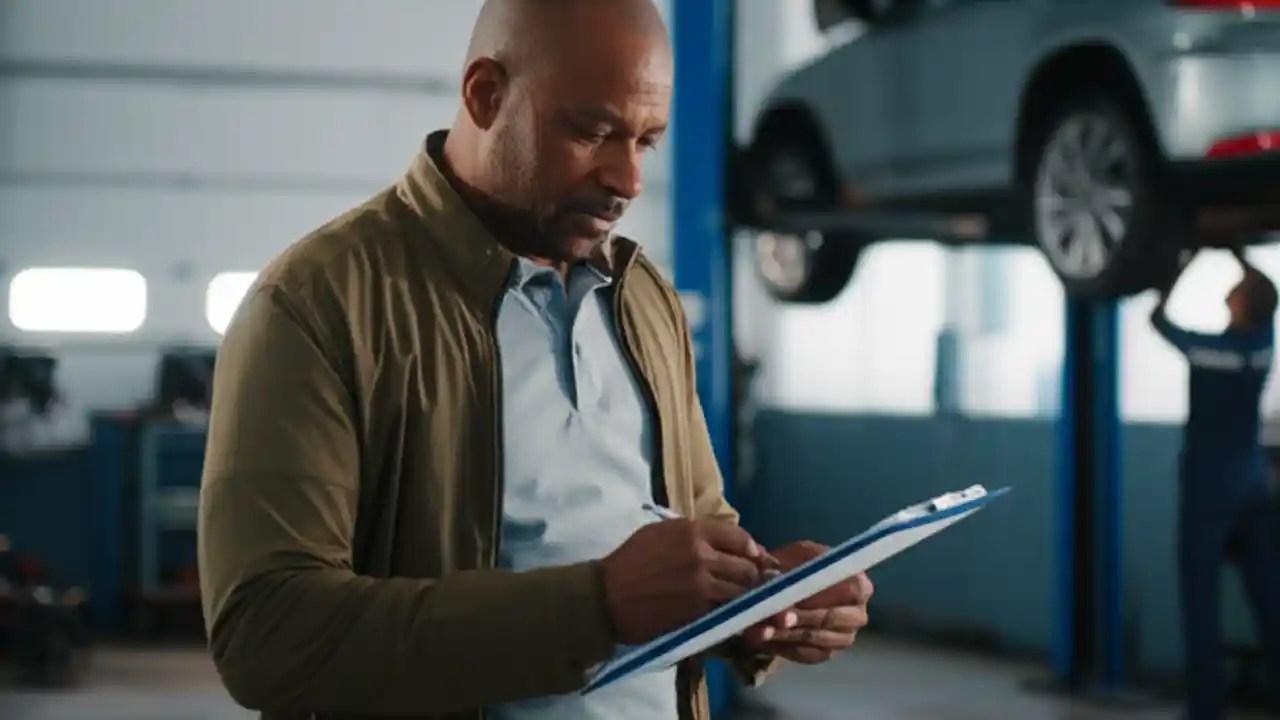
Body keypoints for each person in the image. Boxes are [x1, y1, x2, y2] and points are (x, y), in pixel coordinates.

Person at [197, 1, 873, 718]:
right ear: (486, 95)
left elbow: (700, 532)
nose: (628, 178)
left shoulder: (643, 300)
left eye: (646, 141)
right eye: (592, 131)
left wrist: (767, 600)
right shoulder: (319, 302)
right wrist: (596, 605)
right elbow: (268, 635)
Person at [1151, 245, 1280, 719]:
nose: (1230, 292)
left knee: (1200, 599)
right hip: (1253, 482)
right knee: (1269, 594)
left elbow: (1158, 322)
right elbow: (1269, 295)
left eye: (1237, 289)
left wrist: (1181, 265)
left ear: (1242, 304)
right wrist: (1239, 252)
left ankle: (1207, 710)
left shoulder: (1211, 352)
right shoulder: (1264, 344)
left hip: (1211, 484)